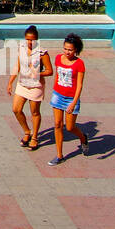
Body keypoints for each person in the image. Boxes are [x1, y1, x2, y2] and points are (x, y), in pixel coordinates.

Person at [7, 25, 53, 151]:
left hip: (35, 86)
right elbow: (17, 65)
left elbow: (50, 71)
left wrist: (38, 74)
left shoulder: (42, 53)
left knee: (35, 112)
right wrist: (11, 82)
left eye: (32, 40)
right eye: (28, 39)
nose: (29, 42)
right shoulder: (21, 48)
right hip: (22, 83)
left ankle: (35, 138)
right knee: (16, 109)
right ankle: (27, 131)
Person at [48, 33, 89, 165]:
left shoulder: (79, 64)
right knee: (57, 124)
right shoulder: (58, 58)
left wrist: (74, 102)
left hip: (71, 98)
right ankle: (59, 155)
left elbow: (80, 85)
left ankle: (83, 138)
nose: (67, 52)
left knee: (70, 127)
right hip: (58, 95)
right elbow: (56, 76)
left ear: (76, 50)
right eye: (65, 48)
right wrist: (54, 91)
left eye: (70, 49)